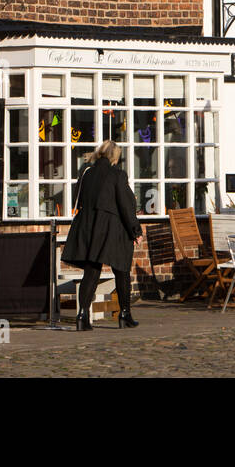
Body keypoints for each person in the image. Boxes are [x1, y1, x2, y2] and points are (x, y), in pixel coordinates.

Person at [62, 139, 142, 329]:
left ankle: (82, 316)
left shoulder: (87, 173)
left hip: (88, 225)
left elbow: (78, 199)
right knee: (121, 269)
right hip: (112, 227)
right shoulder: (118, 175)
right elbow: (125, 205)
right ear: (115, 156)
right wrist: (135, 230)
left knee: (91, 271)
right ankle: (124, 314)